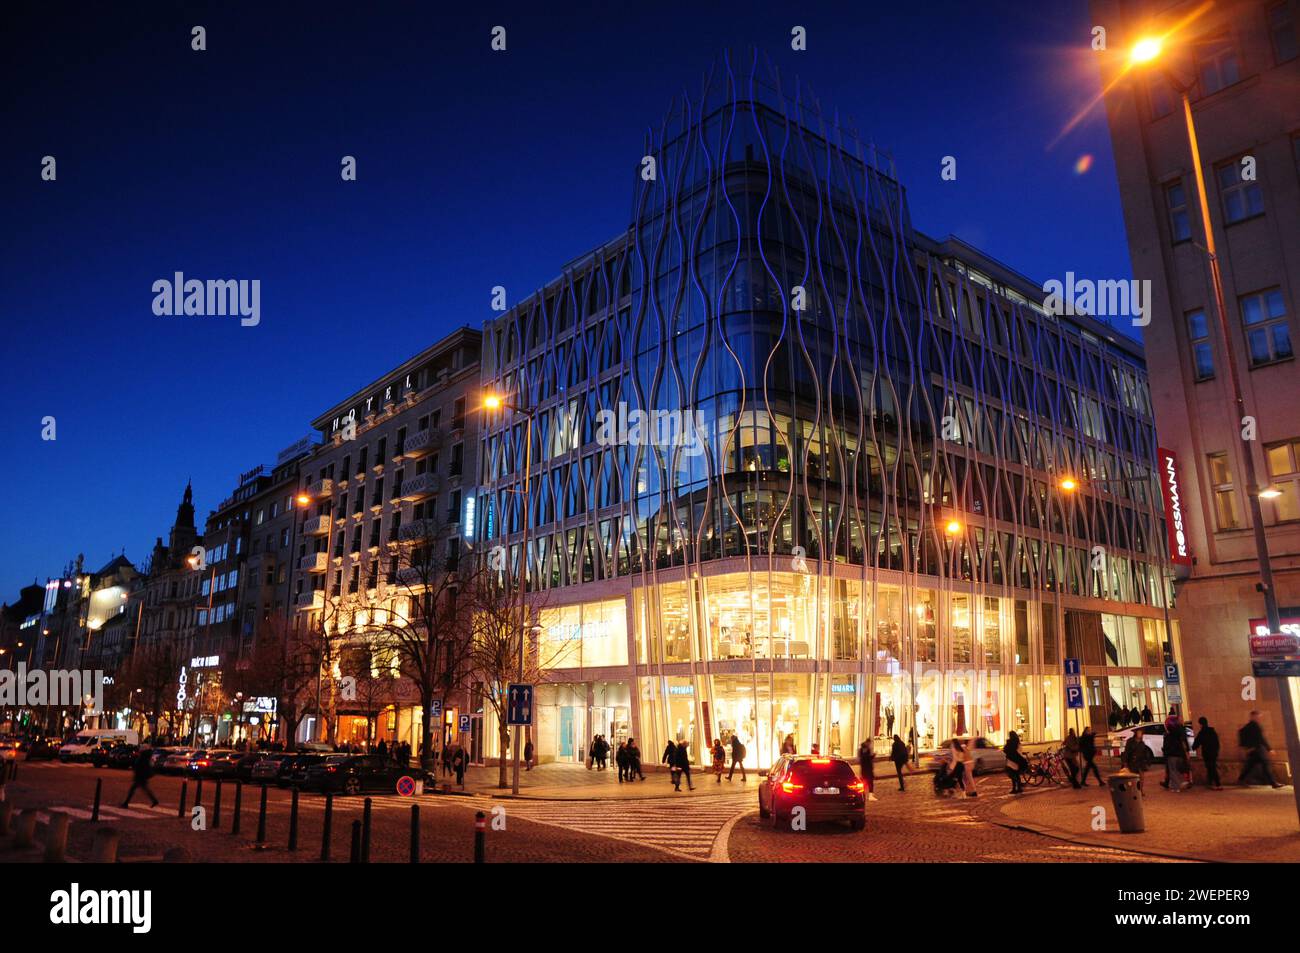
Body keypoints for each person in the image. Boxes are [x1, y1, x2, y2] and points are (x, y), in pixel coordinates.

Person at [1237, 710, 1283, 788]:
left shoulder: (1246, 726)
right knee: (1265, 764)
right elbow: (1261, 738)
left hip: (1252, 750)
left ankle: (1240, 779)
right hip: (1258, 749)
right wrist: (1269, 749)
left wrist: (1246, 747)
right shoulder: (1256, 726)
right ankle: (1273, 783)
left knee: (1250, 765)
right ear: (1254, 716)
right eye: (1258, 716)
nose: (1259, 718)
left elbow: (1241, 733)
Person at [1192, 717, 1221, 790]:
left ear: (1201, 724)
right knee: (1211, 767)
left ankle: (1218, 784)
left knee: (1211, 768)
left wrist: (1193, 747)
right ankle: (1210, 782)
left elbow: (1197, 742)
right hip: (1213, 753)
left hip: (1207, 754)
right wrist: (1216, 751)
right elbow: (1217, 743)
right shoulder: (1212, 731)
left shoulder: (1202, 732)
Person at [1163, 720, 1190, 792]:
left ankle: (1176, 787)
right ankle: (1175, 785)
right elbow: (1183, 744)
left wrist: (1165, 753)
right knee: (1177, 770)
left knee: (1173, 771)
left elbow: (1166, 746)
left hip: (1171, 755)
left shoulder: (1168, 736)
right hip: (1179, 754)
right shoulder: (1178, 735)